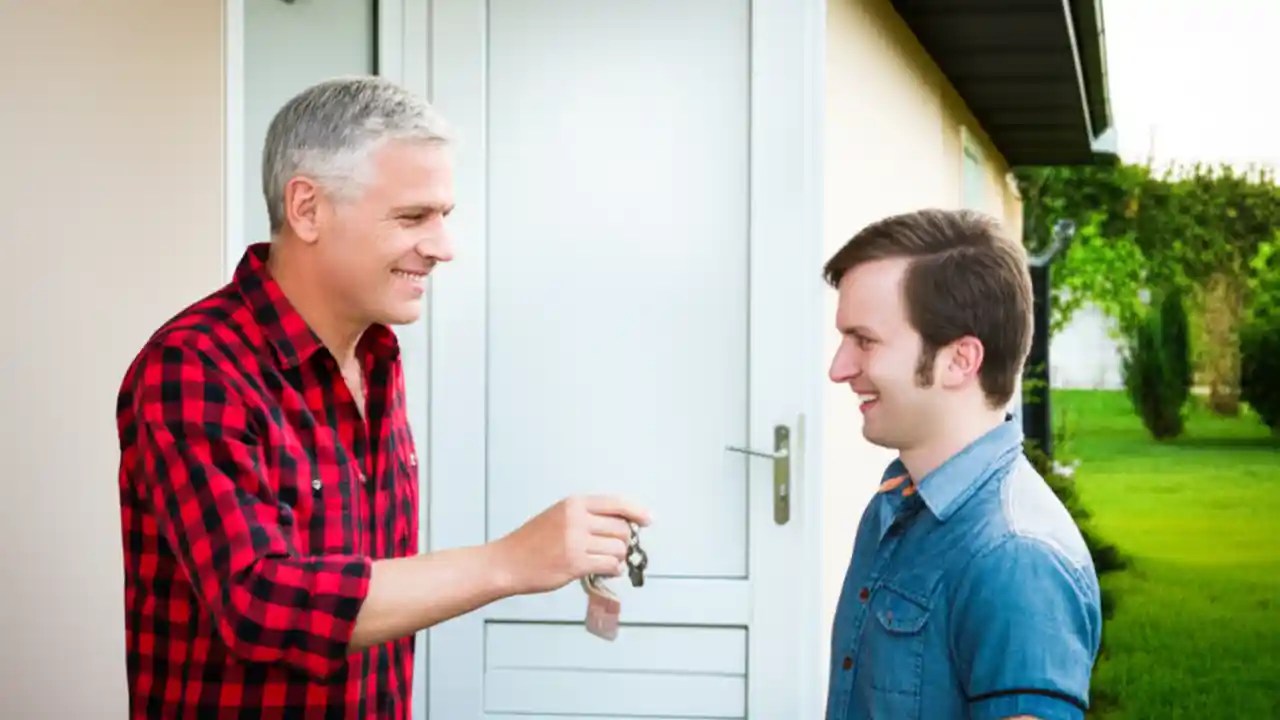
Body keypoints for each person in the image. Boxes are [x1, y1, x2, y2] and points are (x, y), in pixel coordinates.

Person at [115, 76, 649, 719]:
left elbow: (366, 598)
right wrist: (511, 561)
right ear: (307, 209)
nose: (443, 248)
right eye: (412, 217)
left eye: (444, 216)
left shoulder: (377, 356)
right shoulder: (196, 365)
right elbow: (258, 604)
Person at [822, 209, 1101, 720]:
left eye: (864, 341)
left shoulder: (1016, 558)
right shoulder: (897, 505)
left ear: (960, 361)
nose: (838, 369)